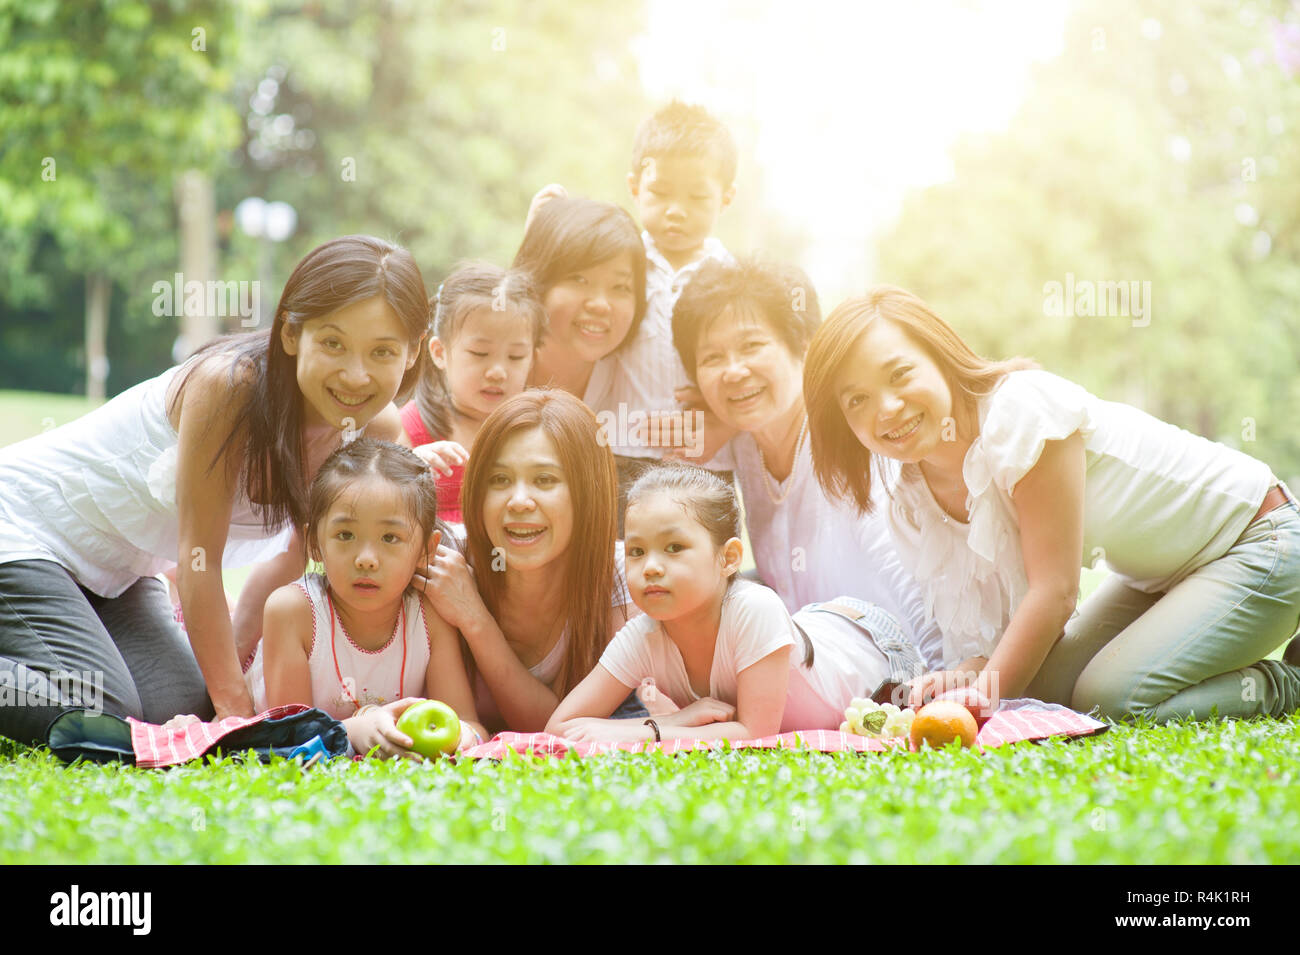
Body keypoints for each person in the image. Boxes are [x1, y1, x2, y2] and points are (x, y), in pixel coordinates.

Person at [0, 235, 431, 744]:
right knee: (99, 705)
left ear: (413, 352)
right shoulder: (230, 386)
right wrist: (234, 711)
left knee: (178, 704)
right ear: (292, 333)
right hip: (28, 528)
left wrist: (237, 680)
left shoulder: (374, 431)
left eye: (381, 351)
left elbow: (291, 559)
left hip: (120, 574)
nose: (356, 375)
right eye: (333, 343)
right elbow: (197, 558)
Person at [802, 285, 1300, 722]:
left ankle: (1287, 683)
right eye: (857, 400)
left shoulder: (1020, 414)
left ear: (940, 355)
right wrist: (970, 674)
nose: (887, 408)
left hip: (1258, 541)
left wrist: (979, 702)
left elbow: (1056, 593)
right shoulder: (911, 498)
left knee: (1111, 695)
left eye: (900, 374)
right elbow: (1002, 628)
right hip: (1158, 579)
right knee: (1047, 689)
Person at [670, 258, 942, 665]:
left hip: (908, 676)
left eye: (752, 345)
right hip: (819, 677)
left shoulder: (852, 435)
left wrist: (945, 684)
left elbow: (916, 583)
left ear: (805, 346)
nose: (734, 371)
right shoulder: (741, 447)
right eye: (711, 358)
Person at [546, 465, 925, 743]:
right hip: (810, 632)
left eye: (674, 548)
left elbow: (755, 733)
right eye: (636, 551)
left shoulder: (753, 609)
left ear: (728, 558)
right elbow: (560, 728)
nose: (651, 567)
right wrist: (685, 719)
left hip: (879, 655)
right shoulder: (642, 634)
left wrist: (659, 727)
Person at [526, 102, 740, 515]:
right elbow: (553, 276)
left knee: (703, 569)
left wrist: (724, 425)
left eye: (697, 197)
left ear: (726, 199)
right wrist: (539, 231)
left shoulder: (731, 277)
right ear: (635, 187)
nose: (676, 210)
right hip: (618, 454)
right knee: (614, 566)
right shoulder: (622, 261)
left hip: (707, 461)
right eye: (660, 193)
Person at [413, 389, 637, 733]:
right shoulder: (446, 555)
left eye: (545, 480)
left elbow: (555, 726)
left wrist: (474, 618)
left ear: (587, 492)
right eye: (499, 480)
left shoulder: (621, 576)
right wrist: (401, 481)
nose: (518, 501)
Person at [245, 439, 486, 757]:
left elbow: (468, 723)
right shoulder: (294, 612)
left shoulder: (428, 616)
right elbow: (289, 738)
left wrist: (460, 738)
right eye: (345, 535)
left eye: (390, 538)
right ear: (315, 542)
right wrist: (353, 731)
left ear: (425, 550)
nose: (367, 559)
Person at [398, 263, 546, 527]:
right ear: (440, 352)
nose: (498, 372)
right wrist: (407, 470)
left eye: (515, 356)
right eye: (480, 353)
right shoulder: (409, 428)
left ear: (532, 359)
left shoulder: (536, 431)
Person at [512, 197, 646, 405]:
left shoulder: (636, 382)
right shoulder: (487, 371)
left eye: (620, 287)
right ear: (537, 279)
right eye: (579, 279)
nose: (601, 305)